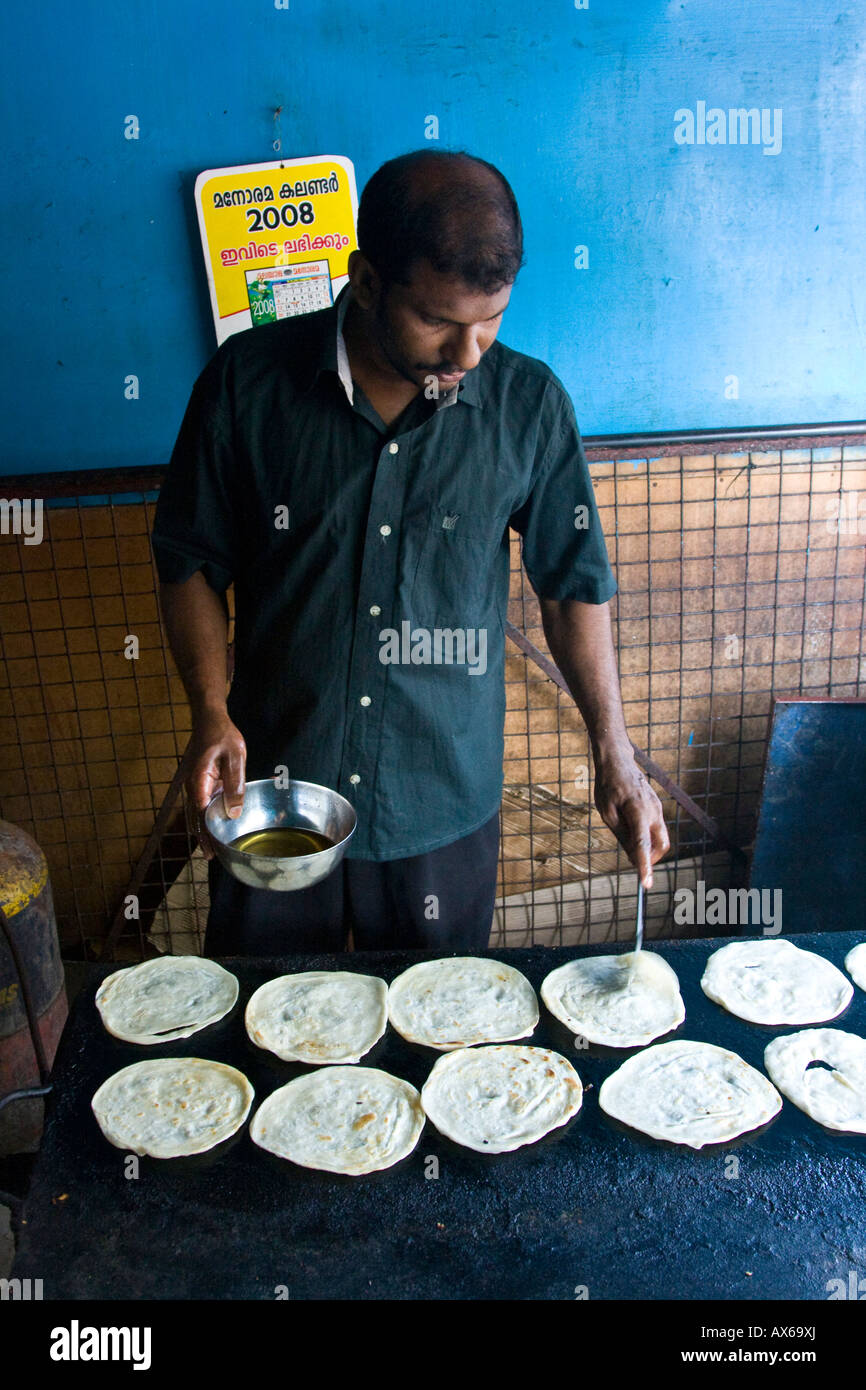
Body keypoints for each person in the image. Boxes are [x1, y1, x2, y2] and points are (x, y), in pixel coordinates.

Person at [151, 148, 668, 956]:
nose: (468, 353)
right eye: (438, 321)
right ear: (365, 281)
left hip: (441, 803)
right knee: (265, 1029)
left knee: (440, 1043)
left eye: (490, 321)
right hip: (281, 795)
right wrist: (211, 711)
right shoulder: (246, 385)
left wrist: (616, 754)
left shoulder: (528, 405)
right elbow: (189, 561)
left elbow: (572, 586)